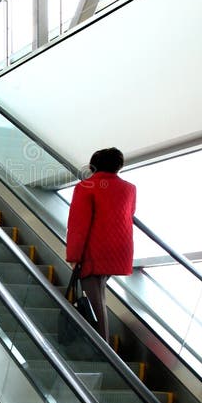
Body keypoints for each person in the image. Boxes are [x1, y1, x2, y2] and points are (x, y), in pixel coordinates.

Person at [66, 147, 136, 344]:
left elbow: (79, 225)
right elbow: (129, 214)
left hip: (94, 251)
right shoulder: (130, 188)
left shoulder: (86, 187)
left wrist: (74, 255)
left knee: (98, 305)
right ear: (118, 166)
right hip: (119, 250)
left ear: (92, 166)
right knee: (99, 296)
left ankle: (104, 352)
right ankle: (102, 347)